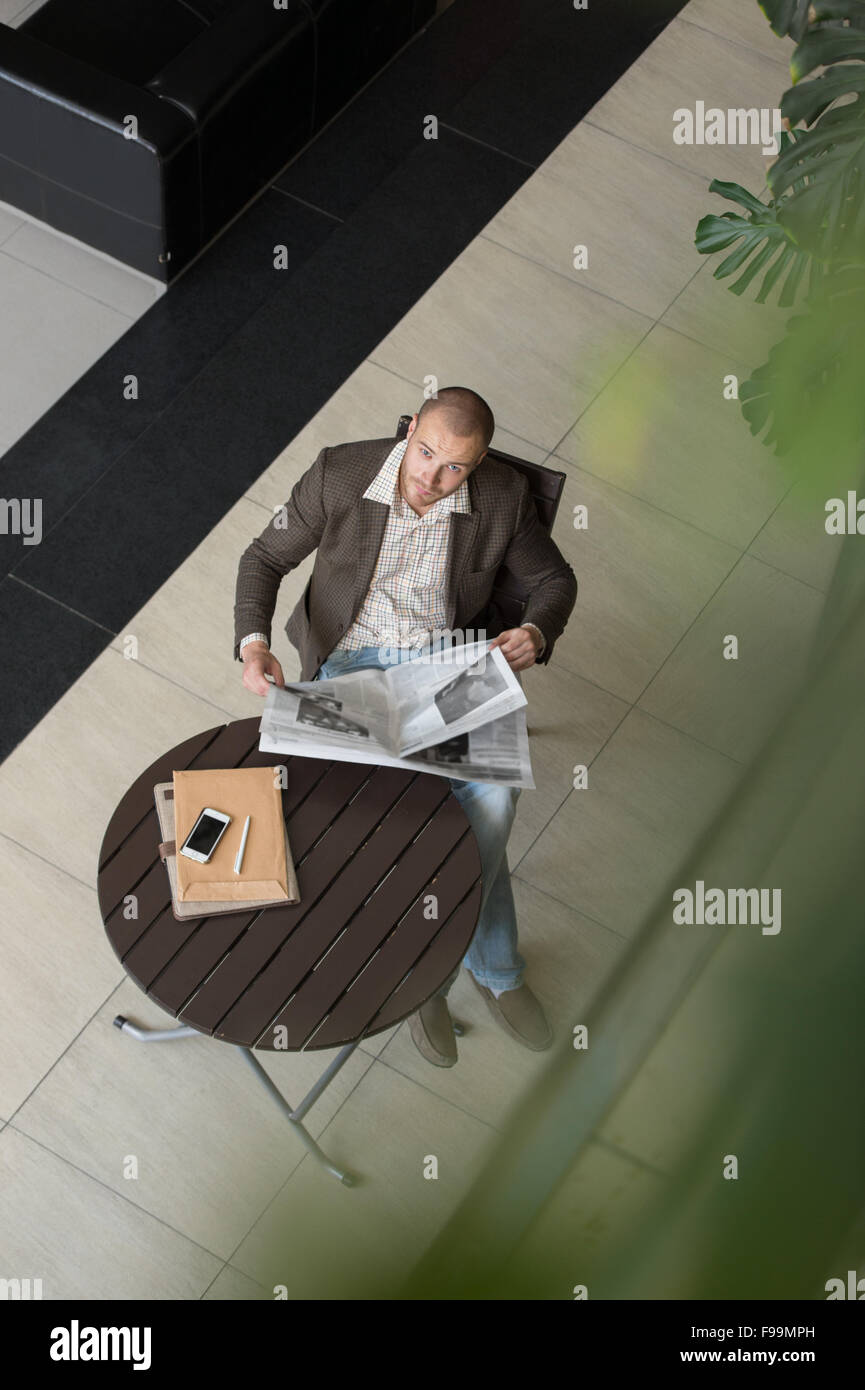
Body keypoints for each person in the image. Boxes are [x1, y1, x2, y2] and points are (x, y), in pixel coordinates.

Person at [233, 387, 577, 1067]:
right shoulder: (340, 472)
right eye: (424, 453)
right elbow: (262, 558)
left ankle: (424, 970)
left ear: (474, 466)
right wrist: (252, 644)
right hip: (348, 665)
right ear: (411, 426)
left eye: (453, 468)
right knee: (394, 811)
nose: (430, 477)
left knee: (491, 796)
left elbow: (554, 581)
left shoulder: (502, 496)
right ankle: (486, 969)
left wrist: (535, 631)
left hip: (444, 663)